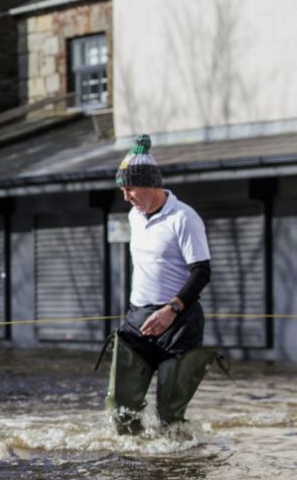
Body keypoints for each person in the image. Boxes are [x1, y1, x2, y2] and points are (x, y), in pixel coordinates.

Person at [107, 134, 216, 434]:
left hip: (178, 324)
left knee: (169, 416)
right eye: (122, 189)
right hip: (138, 322)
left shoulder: (184, 218)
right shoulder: (134, 216)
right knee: (121, 411)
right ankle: (135, 464)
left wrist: (171, 310)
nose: (125, 196)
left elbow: (202, 272)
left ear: (150, 183)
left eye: (129, 188)